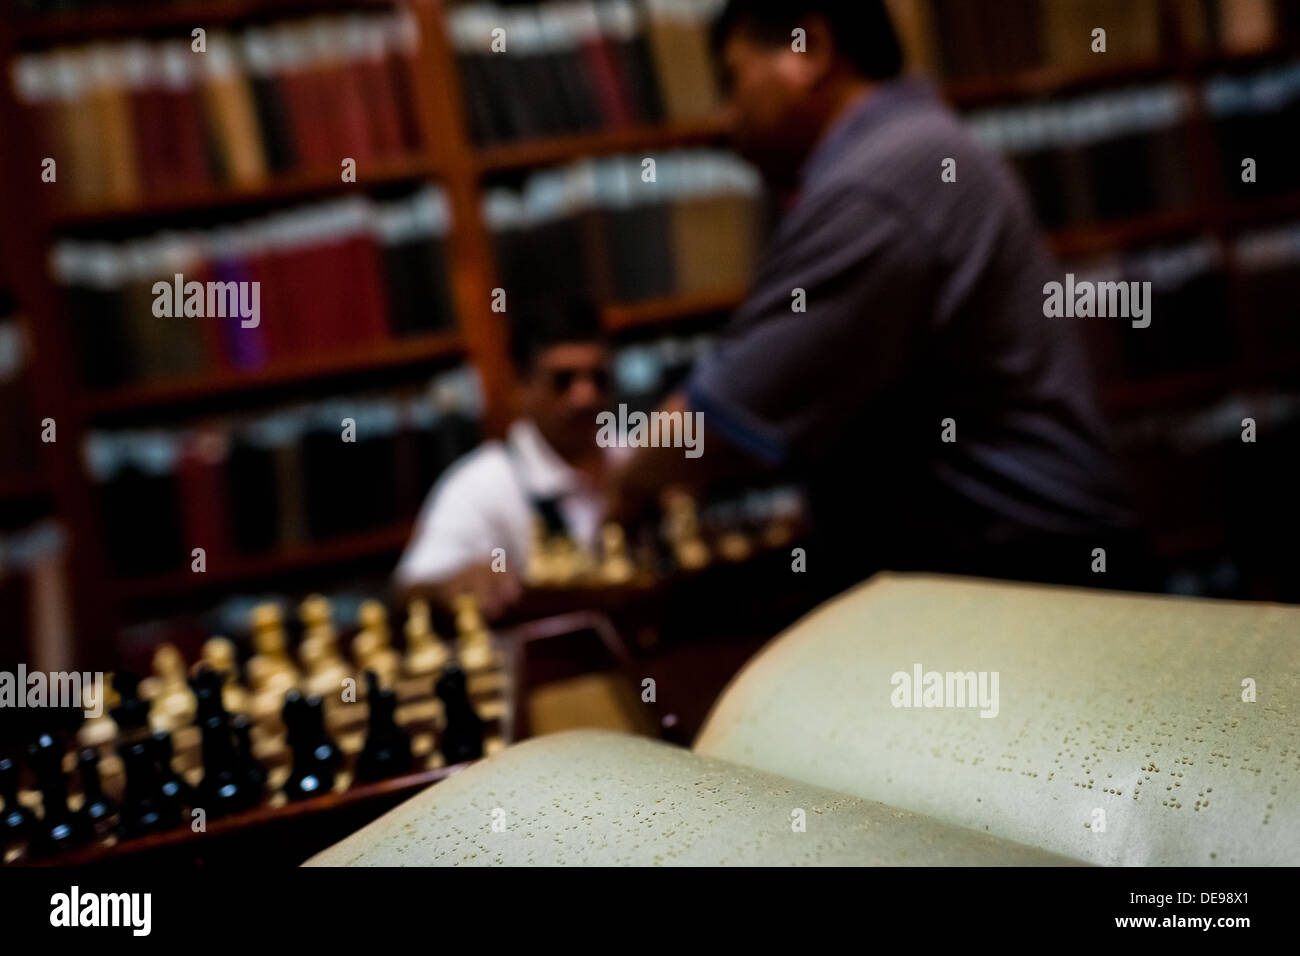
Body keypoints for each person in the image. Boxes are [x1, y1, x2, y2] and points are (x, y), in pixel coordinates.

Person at [605, 0, 1148, 596]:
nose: (725, 117)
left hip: (1028, 580)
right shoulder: (916, 147)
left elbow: (723, 419)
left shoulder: (878, 183)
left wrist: (625, 487)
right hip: (1019, 570)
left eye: (734, 80)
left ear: (807, 46)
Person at [395, 300, 616, 617]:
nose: (586, 396)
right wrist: (449, 585)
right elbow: (409, 587)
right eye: (563, 380)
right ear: (520, 387)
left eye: (599, 378)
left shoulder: (634, 455)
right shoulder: (481, 483)